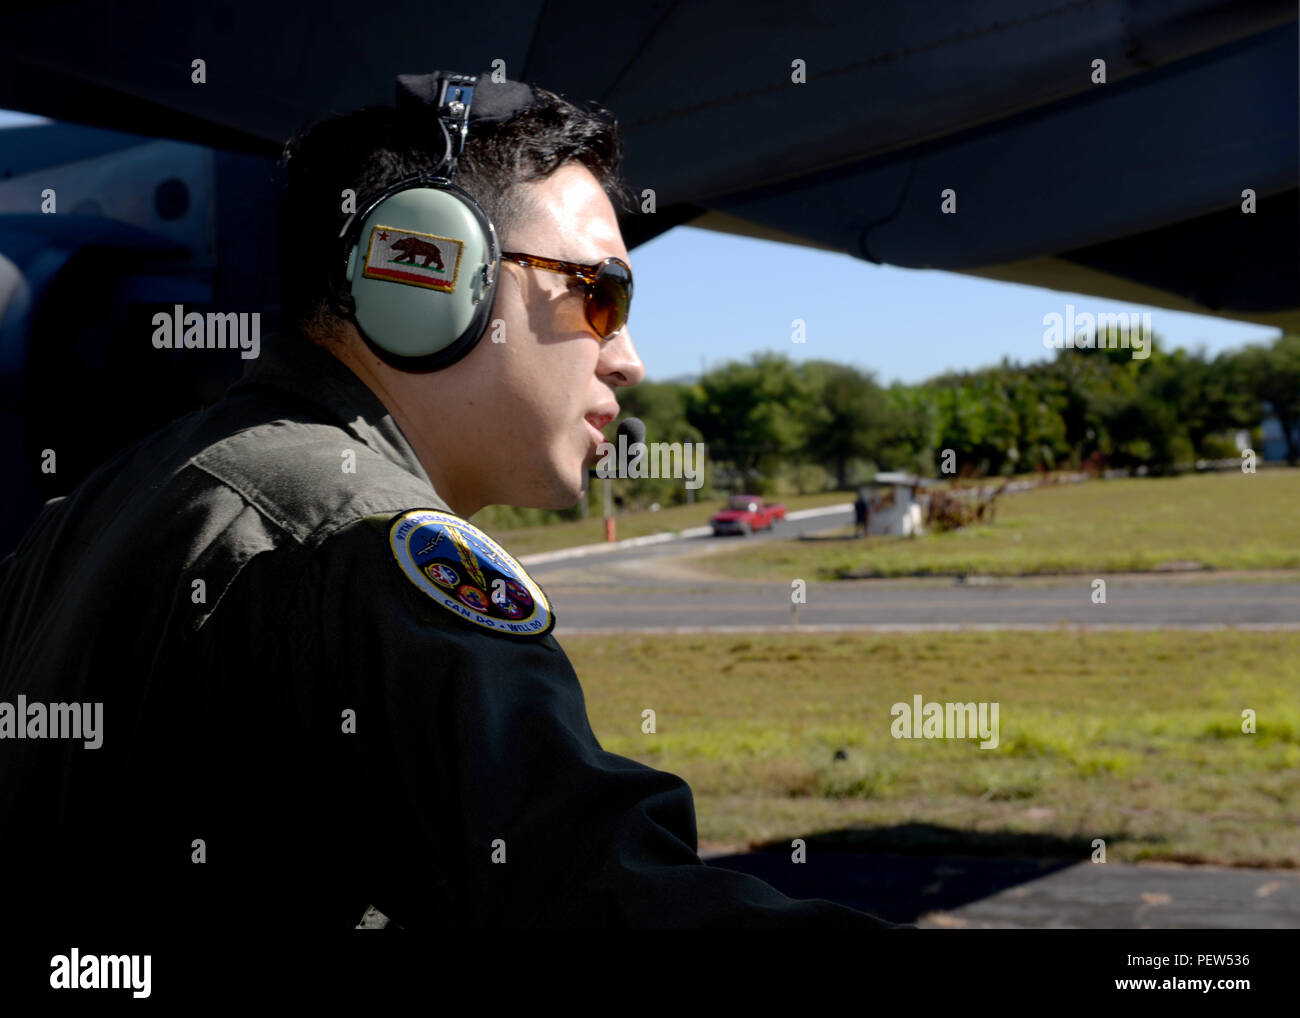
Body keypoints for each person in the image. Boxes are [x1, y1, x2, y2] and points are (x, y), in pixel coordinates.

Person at [0, 71, 902, 930]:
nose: (628, 358)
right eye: (600, 293)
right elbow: (601, 898)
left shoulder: (111, 501)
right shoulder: (370, 548)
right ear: (427, 275)